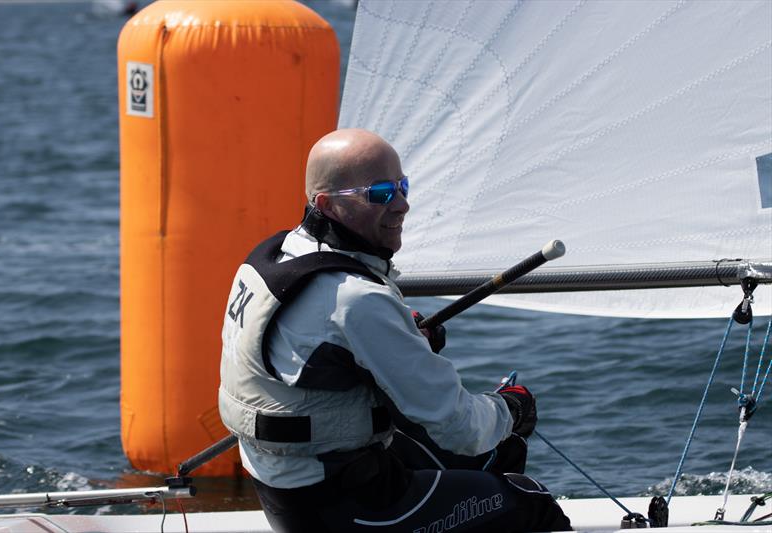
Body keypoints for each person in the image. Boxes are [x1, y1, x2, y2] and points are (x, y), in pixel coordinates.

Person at [219, 129, 572, 532]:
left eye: (402, 186)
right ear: (326, 204)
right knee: (529, 500)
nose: (402, 204)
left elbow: (315, 350)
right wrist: (512, 408)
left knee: (489, 457)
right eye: (381, 193)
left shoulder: (272, 260)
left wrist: (399, 334)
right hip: (340, 503)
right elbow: (462, 429)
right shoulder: (357, 299)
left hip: (291, 485)